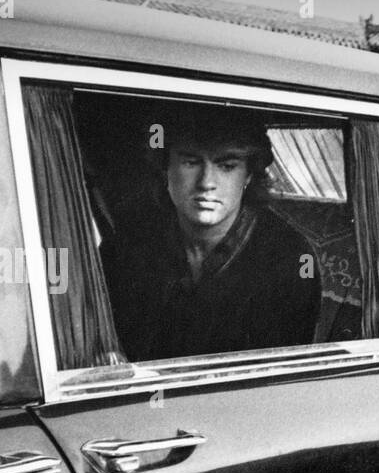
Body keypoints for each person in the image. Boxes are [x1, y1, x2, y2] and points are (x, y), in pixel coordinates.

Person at [105, 104, 320, 362]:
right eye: (191, 162)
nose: (206, 183)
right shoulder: (130, 243)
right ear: (166, 169)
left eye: (227, 166)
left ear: (249, 175)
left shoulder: (288, 257)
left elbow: (278, 373)